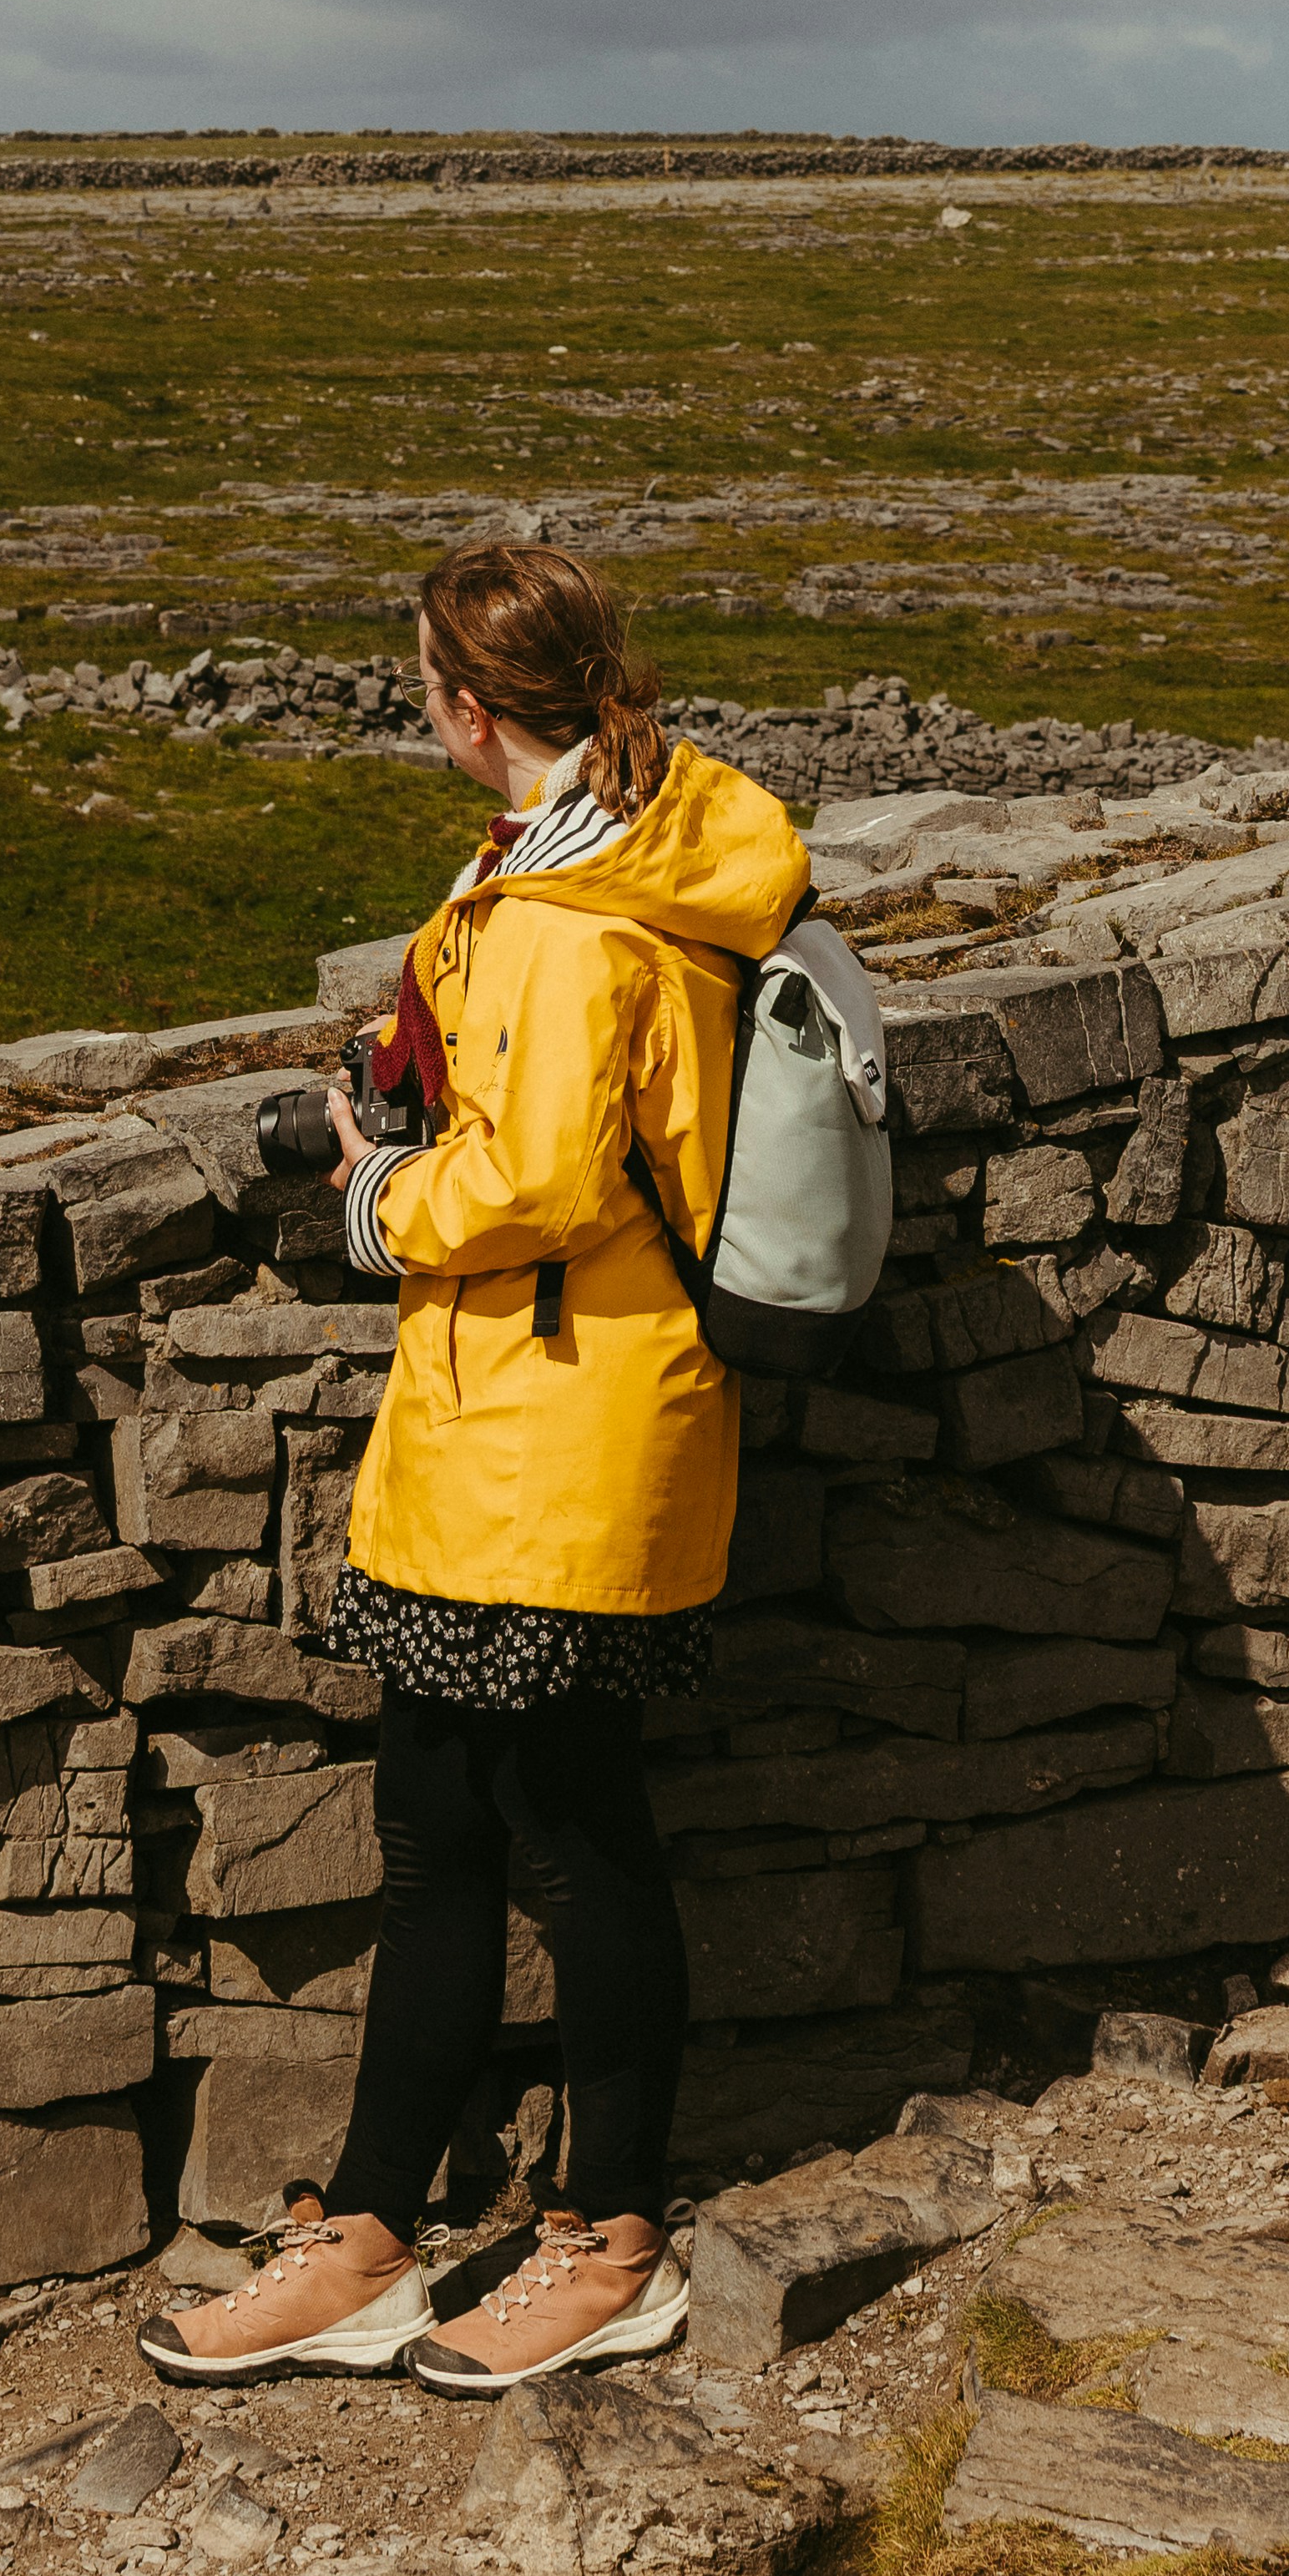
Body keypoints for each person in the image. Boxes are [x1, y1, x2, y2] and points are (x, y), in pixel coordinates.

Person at [140, 534, 808, 2395]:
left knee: (573, 1840)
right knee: (439, 1826)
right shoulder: (552, 866)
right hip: (503, 1429)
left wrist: (370, 1190)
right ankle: (366, 2232)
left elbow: (532, 1182)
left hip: (567, 1435)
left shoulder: (584, 916)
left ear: (453, 697)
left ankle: (614, 2239)